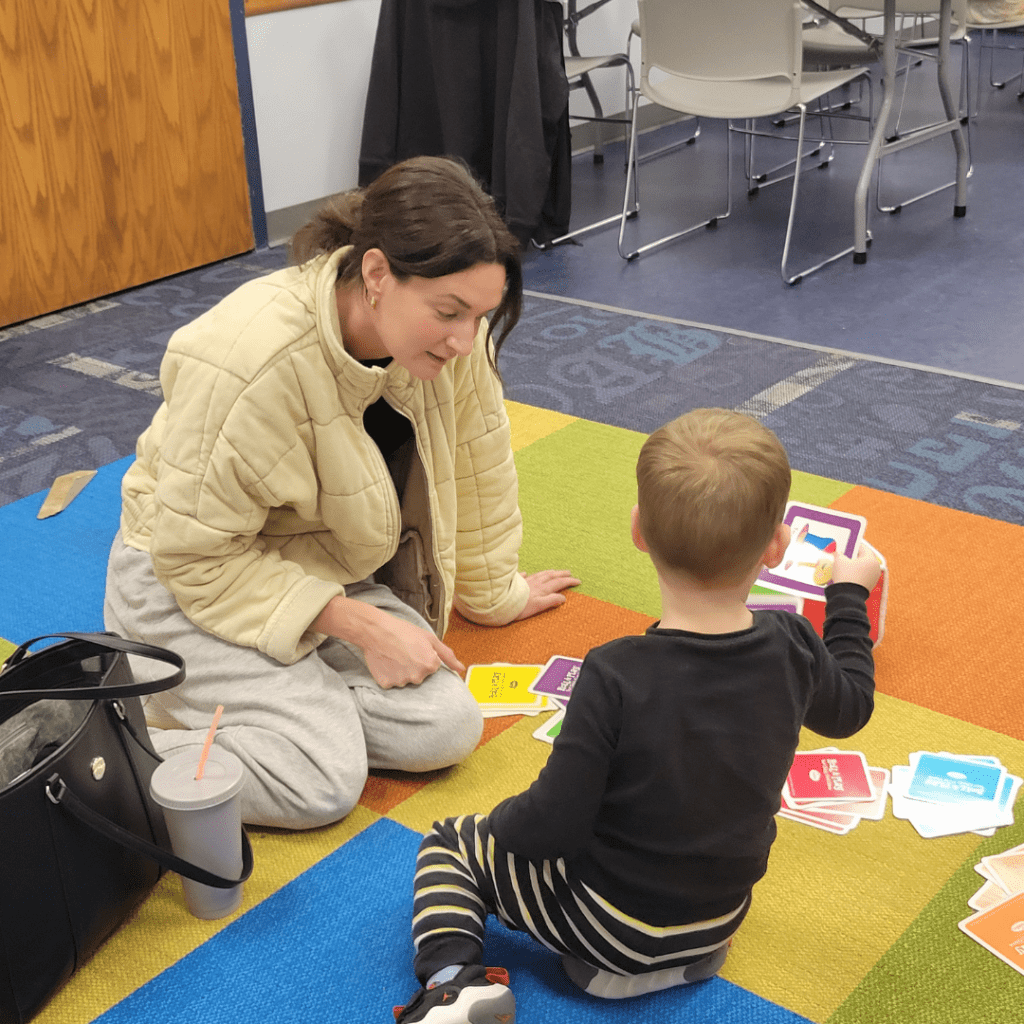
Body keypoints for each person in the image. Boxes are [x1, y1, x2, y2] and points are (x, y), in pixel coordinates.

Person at [103, 155, 579, 830]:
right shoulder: (247, 360)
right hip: (184, 582)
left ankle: (271, 711)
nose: (465, 340)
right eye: (449, 312)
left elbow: (481, 466)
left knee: (445, 726)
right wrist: (361, 625)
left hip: (321, 567)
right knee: (319, 783)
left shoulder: (457, 340)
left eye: (481, 315)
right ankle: (104, 751)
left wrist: (495, 595)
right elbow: (194, 556)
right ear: (377, 274)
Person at [393, 407, 880, 1024]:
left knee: (450, 845)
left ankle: (451, 985)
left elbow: (550, 825)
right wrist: (848, 596)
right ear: (777, 547)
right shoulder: (794, 645)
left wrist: (495, 828)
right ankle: (670, 964)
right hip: (718, 919)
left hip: (611, 923)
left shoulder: (615, 672)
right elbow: (852, 707)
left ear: (638, 531)